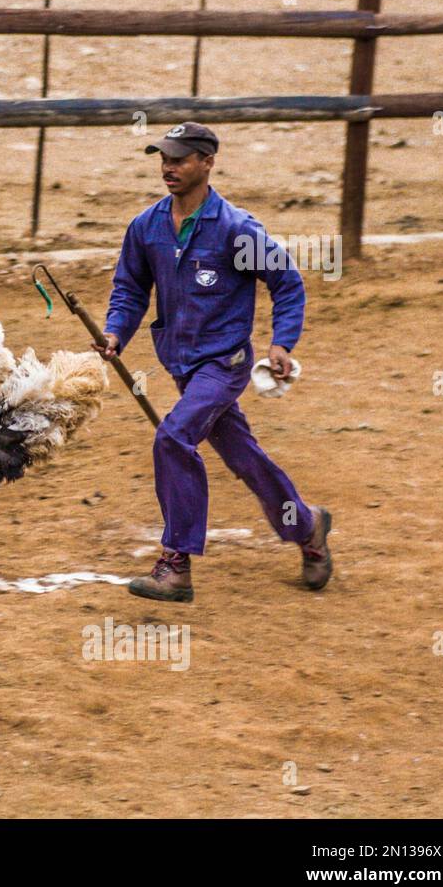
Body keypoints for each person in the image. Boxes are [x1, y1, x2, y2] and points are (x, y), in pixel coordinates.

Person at [95, 122, 333, 602]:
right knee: (242, 455)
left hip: (224, 363)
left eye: (180, 159)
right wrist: (116, 330)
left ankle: (176, 565)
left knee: (173, 437)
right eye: (163, 158)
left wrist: (282, 343)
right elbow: (131, 288)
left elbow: (286, 284)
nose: (168, 167)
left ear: (207, 162)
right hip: (180, 362)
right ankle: (307, 526)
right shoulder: (147, 227)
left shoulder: (235, 231)